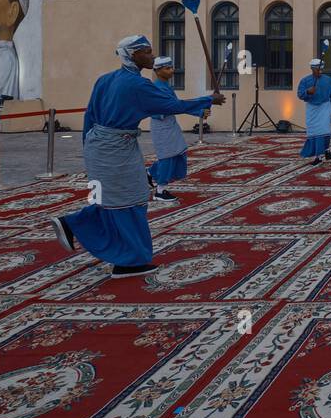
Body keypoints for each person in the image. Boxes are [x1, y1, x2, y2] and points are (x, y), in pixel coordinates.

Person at [50, 36, 220, 278]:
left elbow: (91, 116)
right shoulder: (137, 85)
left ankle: (74, 224)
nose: (152, 56)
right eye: (146, 52)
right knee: (129, 201)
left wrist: (88, 146)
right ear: (131, 55)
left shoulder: (105, 80)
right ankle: (128, 261)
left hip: (102, 145)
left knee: (117, 197)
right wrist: (208, 100)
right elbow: (170, 105)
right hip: (116, 149)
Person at [146, 57, 208, 202]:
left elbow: (176, 106)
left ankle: (150, 173)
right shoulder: (158, 88)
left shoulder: (165, 86)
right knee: (167, 156)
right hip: (161, 126)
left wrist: (199, 110)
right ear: (158, 71)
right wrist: (203, 104)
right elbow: (174, 106)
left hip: (170, 124)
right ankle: (160, 191)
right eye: (167, 68)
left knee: (177, 153)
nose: (172, 71)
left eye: (172, 67)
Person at [297, 59, 331, 164]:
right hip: (312, 109)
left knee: (324, 131)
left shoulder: (328, 80)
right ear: (312, 69)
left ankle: (320, 155)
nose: (320, 71)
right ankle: (324, 151)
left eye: (321, 69)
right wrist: (307, 91)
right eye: (317, 69)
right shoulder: (305, 81)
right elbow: (300, 94)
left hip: (325, 108)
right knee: (314, 132)